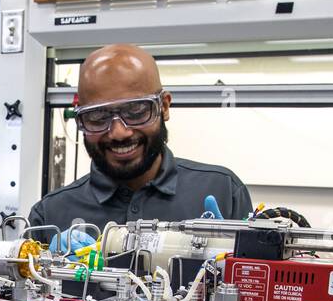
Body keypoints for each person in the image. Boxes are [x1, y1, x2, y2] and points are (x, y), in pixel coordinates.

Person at [29, 43, 252, 237]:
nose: (119, 133)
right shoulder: (50, 215)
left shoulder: (224, 192)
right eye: (97, 116)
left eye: (135, 111)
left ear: (164, 107)